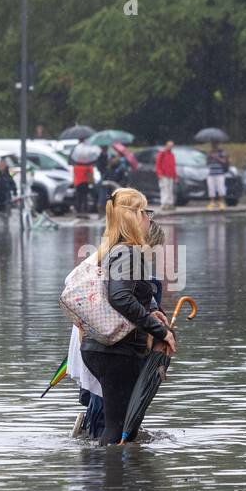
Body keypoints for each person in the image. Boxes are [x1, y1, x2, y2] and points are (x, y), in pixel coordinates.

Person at [80, 189, 176, 445]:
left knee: (122, 426)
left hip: (104, 348)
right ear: (135, 217)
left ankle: (120, 478)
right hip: (115, 351)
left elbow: (125, 296)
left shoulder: (113, 249)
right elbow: (120, 297)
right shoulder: (129, 252)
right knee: (118, 428)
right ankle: (114, 481)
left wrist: (149, 310)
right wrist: (160, 330)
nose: (149, 218)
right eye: (146, 212)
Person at [206, 141, 230, 210]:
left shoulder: (222, 152)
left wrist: (217, 157)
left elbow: (224, 161)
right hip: (211, 173)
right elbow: (207, 163)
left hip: (220, 173)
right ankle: (212, 202)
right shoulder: (210, 152)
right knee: (211, 188)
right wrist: (209, 157)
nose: (214, 145)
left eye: (215, 144)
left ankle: (221, 202)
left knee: (221, 188)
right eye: (213, 144)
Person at [155, 140, 177, 212]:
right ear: (166, 145)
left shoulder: (172, 155)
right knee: (164, 189)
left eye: (172, 146)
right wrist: (159, 174)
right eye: (169, 146)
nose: (171, 147)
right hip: (163, 175)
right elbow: (158, 164)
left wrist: (175, 176)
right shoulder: (162, 153)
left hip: (170, 175)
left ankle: (170, 204)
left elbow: (173, 166)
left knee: (170, 190)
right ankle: (164, 204)